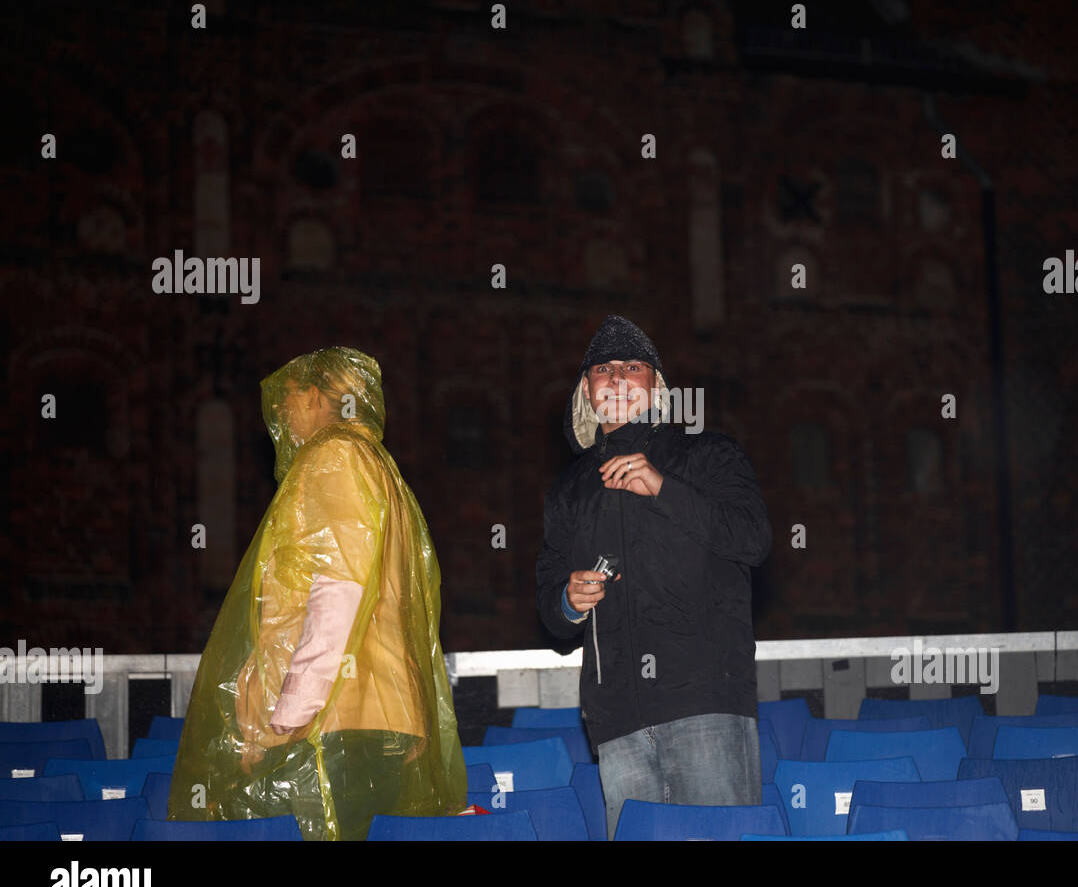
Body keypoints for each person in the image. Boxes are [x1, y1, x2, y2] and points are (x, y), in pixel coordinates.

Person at [169, 346, 466, 840]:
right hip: (382, 714)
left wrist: (290, 712)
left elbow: (338, 590)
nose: (280, 417)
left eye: (286, 400)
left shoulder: (335, 457)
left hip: (342, 720)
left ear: (313, 396)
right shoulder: (379, 466)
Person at [536, 315, 772, 838]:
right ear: (586, 393)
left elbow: (753, 540)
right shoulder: (569, 489)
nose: (617, 376)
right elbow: (551, 613)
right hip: (615, 719)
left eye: (633, 366)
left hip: (705, 706)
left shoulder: (709, 455)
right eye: (603, 368)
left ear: (657, 387)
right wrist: (568, 601)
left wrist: (665, 488)